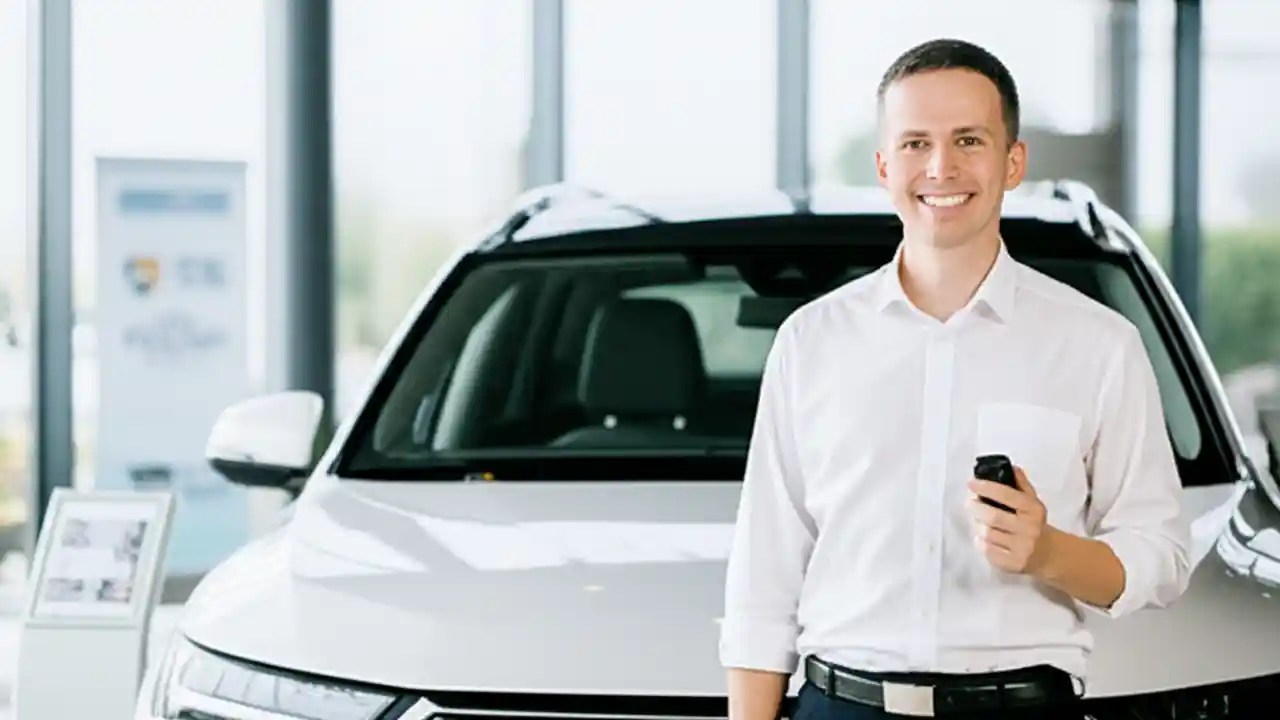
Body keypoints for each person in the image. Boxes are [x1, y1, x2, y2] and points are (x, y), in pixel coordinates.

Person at [720, 38, 1190, 720]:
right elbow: (763, 577)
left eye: (969, 139)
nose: (941, 167)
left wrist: (1052, 552)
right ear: (884, 165)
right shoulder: (811, 343)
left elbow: (1163, 556)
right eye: (915, 143)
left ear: (1013, 161)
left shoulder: (1099, 345)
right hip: (840, 707)